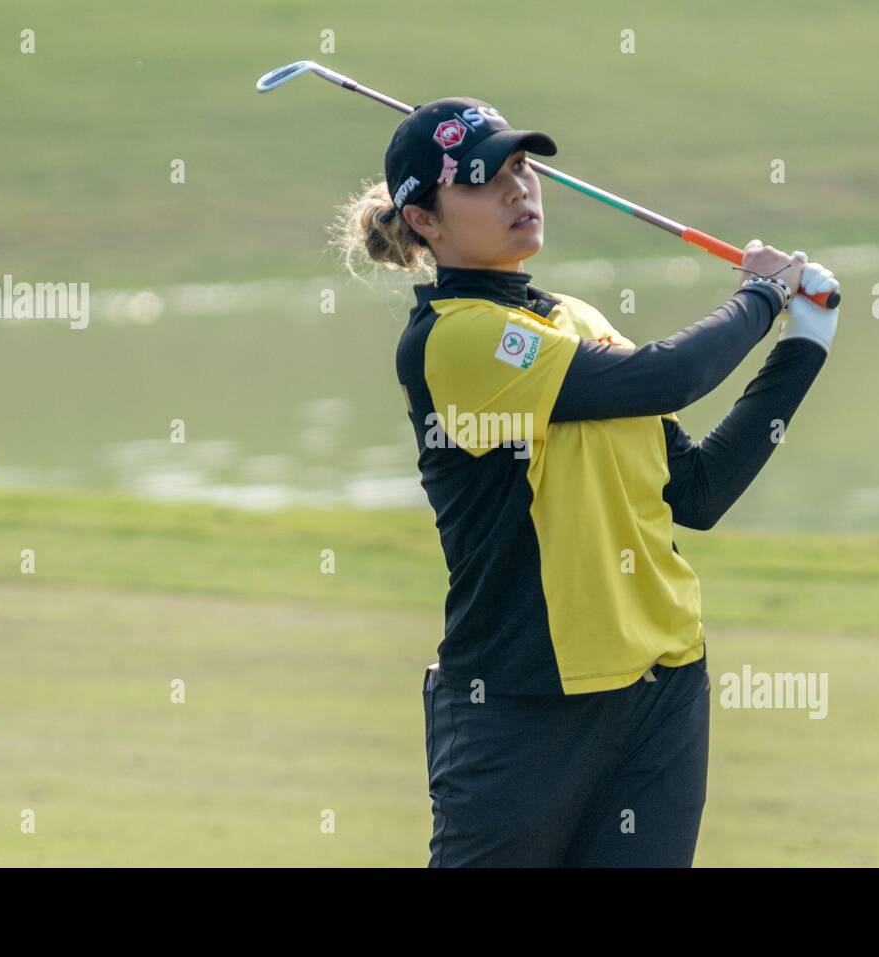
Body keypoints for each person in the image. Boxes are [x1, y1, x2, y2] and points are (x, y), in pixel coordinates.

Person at [328, 97, 841, 867]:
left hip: (662, 688)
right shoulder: (452, 341)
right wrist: (762, 295)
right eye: (483, 181)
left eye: (522, 168)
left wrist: (806, 342)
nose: (519, 191)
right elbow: (668, 375)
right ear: (427, 222)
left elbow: (696, 491)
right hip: (522, 705)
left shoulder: (575, 318)